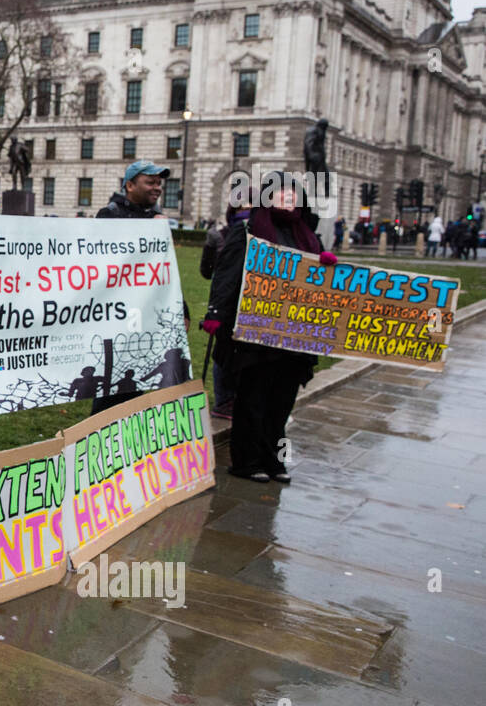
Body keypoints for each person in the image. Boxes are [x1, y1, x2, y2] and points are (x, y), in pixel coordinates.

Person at [202, 171, 334, 484]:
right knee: (253, 400)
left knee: (282, 402)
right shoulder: (248, 230)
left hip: (294, 336)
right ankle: (247, 462)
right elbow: (226, 274)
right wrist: (215, 313)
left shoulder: (308, 236)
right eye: (280, 194)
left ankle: (274, 461)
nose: (287, 199)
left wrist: (327, 266)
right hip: (256, 336)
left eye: (292, 194)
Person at [91, 159, 189, 414]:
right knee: (112, 388)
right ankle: (98, 440)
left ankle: (126, 441)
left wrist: (182, 309)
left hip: (148, 318)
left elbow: (162, 272)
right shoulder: (109, 215)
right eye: (150, 182)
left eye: (159, 183)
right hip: (117, 319)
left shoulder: (155, 219)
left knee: (137, 387)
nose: (157, 188)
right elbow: (102, 267)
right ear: (130, 185)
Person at [200, 201, 250, 419]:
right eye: (241, 209)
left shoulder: (259, 234)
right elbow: (207, 271)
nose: (245, 213)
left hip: (247, 305)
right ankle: (224, 400)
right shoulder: (221, 234)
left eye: (250, 208)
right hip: (225, 305)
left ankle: (237, 396)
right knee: (223, 353)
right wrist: (210, 248)